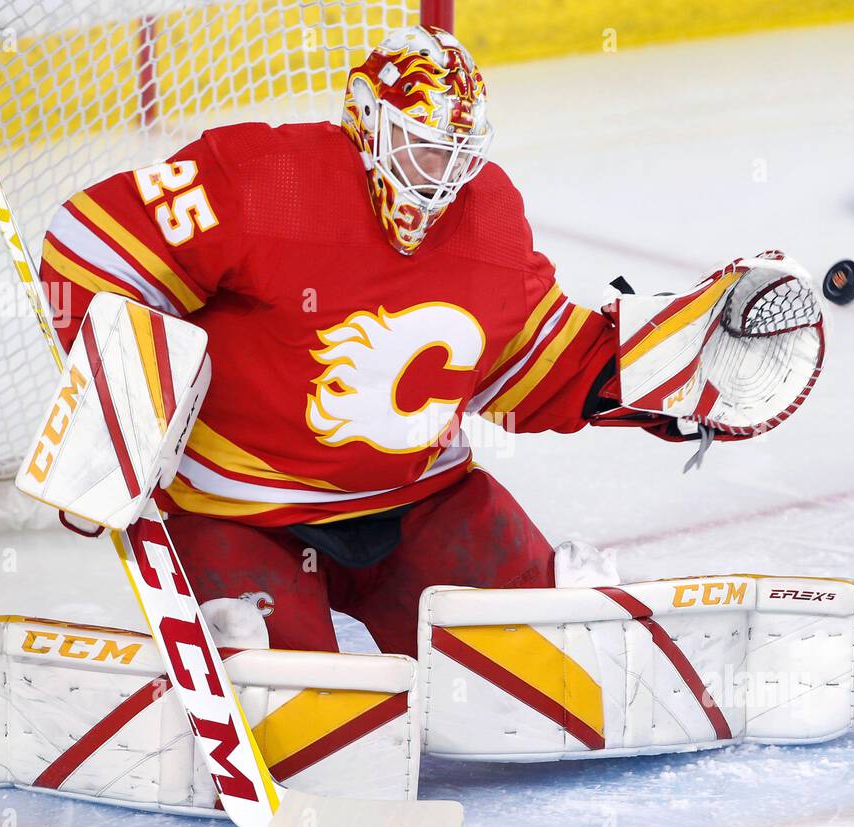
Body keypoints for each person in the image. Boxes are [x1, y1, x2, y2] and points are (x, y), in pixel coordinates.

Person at [40, 25, 675, 657]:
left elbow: (535, 362)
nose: (441, 174)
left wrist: (662, 379)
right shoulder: (265, 181)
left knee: (541, 655)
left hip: (427, 502)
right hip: (240, 511)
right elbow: (90, 246)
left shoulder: (490, 214)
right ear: (367, 118)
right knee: (278, 680)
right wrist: (121, 401)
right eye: (423, 147)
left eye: (458, 152)